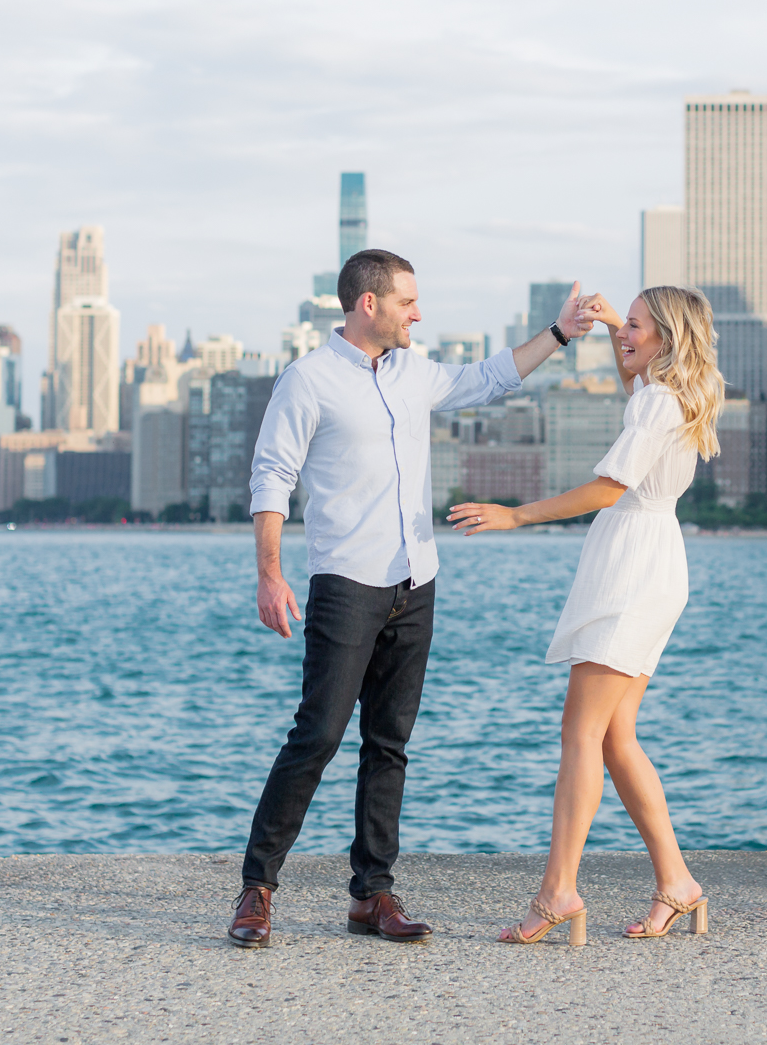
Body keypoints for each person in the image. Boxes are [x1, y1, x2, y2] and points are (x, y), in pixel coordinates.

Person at [227, 249, 596, 949]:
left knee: (389, 745)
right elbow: (271, 477)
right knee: (318, 737)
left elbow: (489, 378)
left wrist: (559, 333)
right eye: (407, 302)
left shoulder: (413, 372)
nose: (418, 314)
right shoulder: (306, 381)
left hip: (414, 582)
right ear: (369, 304)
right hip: (344, 584)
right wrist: (269, 575)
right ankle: (257, 889)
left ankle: (373, 895)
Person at [446, 285, 724, 946]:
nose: (624, 333)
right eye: (623, 323)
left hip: (630, 569)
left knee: (581, 732)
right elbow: (636, 387)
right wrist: (609, 333)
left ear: (667, 338)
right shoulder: (666, 395)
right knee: (615, 736)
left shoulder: (658, 401)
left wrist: (516, 514)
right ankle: (678, 884)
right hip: (654, 562)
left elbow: (608, 486)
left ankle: (558, 892)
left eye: (635, 325)